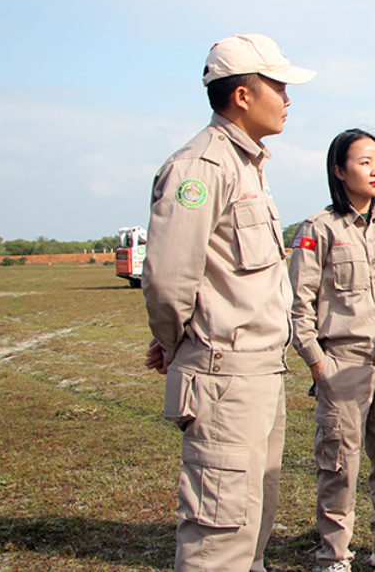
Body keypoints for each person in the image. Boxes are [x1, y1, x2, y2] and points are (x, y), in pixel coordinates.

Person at [142, 33, 315, 571]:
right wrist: (180, 345)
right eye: (278, 85)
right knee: (219, 537)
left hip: (261, 373)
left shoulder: (248, 166)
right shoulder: (202, 167)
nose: (288, 98)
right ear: (242, 95)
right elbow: (169, 278)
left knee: (250, 526)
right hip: (225, 376)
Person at [288, 128, 375, 572]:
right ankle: (334, 553)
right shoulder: (319, 228)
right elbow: (298, 304)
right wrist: (318, 364)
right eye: (364, 161)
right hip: (342, 363)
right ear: (338, 170)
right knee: (339, 463)